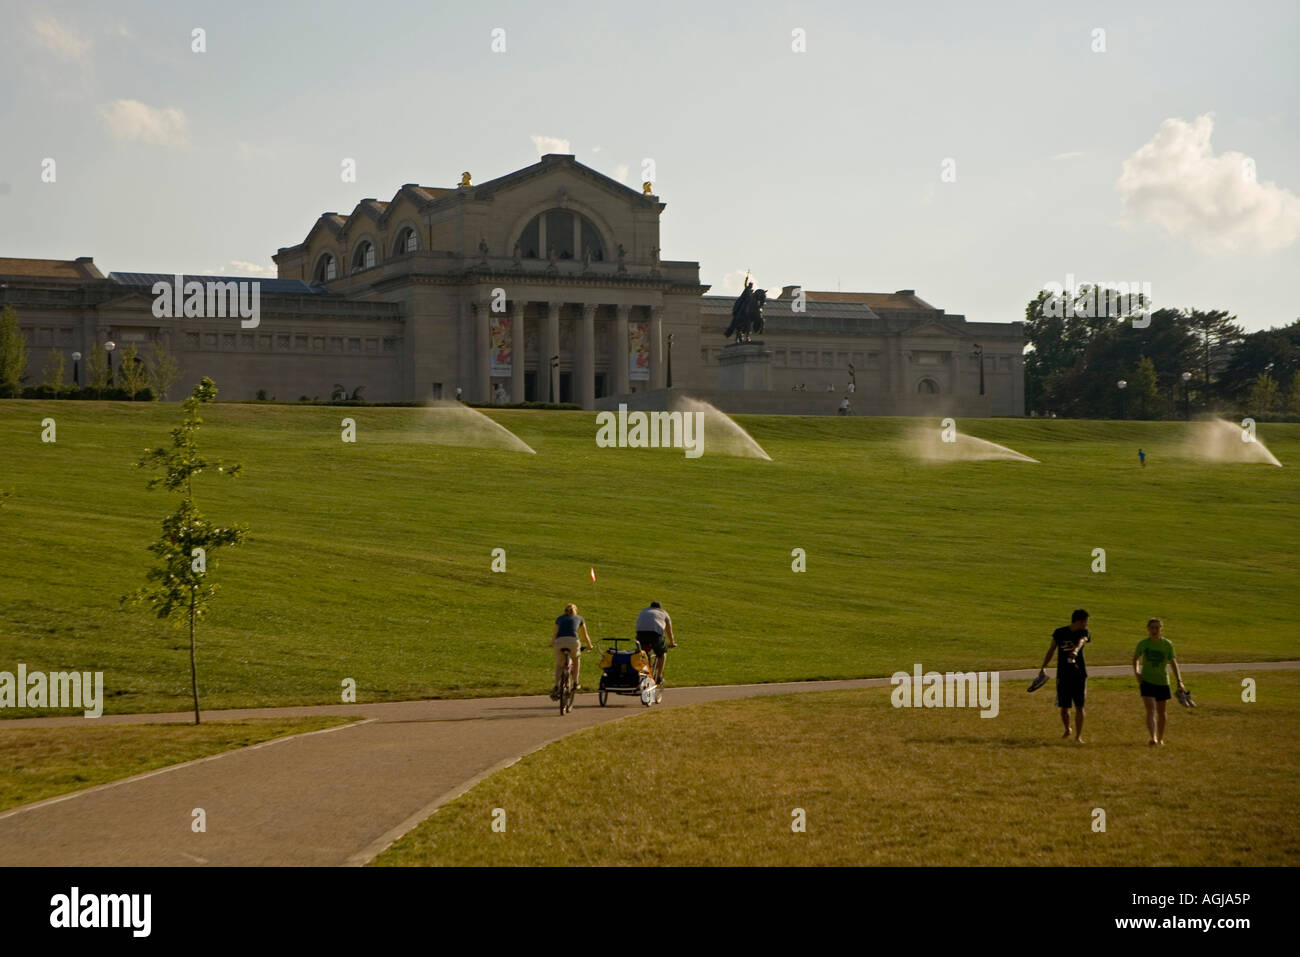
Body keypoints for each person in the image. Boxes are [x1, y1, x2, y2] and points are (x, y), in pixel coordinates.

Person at [1036, 609, 1090, 742]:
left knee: (1079, 705)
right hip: (1063, 674)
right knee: (1064, 707)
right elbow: (1051, 650)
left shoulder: (1084, 632)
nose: (1087, 625)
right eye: (1086, 622)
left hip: (1079, 674)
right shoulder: (1059, 633)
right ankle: (1067, 728)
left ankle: (1078, 736)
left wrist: (1076, 651)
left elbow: (1082, 641)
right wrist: (1043, 667)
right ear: (1079, 621)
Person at [1132, 618, 1185, 746]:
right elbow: (1135, 659)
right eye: (1152, 628)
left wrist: (1179, 681)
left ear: (1161, 629)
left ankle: (1160, 738)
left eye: (1157, 628)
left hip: (1162, 681)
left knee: (1161, 712)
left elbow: (1173, 663)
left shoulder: (1167, 644)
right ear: (1148, 629)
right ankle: (1153, 737)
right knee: (1150, 709)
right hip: (1147, 680)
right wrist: (1137, 673)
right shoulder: (1143, 644)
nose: (1154, 630)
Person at [551, 603, 594, 699]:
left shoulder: (559, 619)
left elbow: (555, 633)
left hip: (559, 642)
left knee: (559, 664)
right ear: (575, 611)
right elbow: (585, 635)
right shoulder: (579, 618)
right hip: (573, 642)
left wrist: (552, 643)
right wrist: (589, 646)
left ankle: (557, 685)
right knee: (576, 659)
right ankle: (575, 682)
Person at [635, 601, 676, 686]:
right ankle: (659, 677)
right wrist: (672, 642)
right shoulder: (664, 613)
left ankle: (645, 673)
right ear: (660, 608)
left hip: (640, 634)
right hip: (655, 635)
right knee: (662, 653)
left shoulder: (643, 611)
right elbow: (669, 631)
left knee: (643, 654)